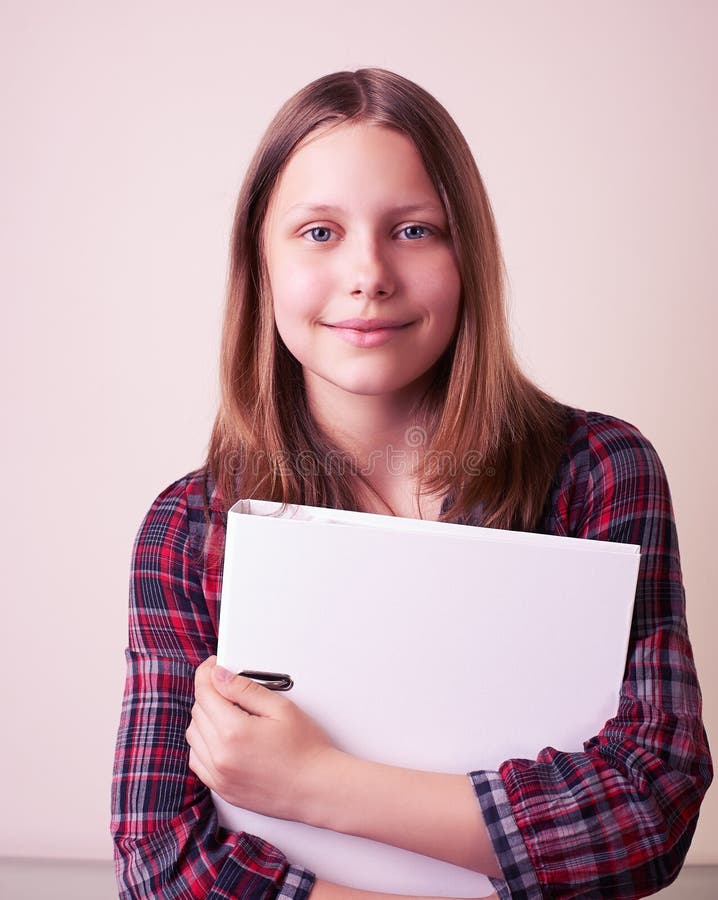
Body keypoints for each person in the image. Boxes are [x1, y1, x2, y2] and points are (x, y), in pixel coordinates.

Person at [110, 68, 712, 899]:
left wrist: (314, 782)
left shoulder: (598, 469)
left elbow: (651, 804)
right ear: (261, 263)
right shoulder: (187, 526)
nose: (370, 273)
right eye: (319, 232)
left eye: (415, 230)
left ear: (469, 256)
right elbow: (161, 867)